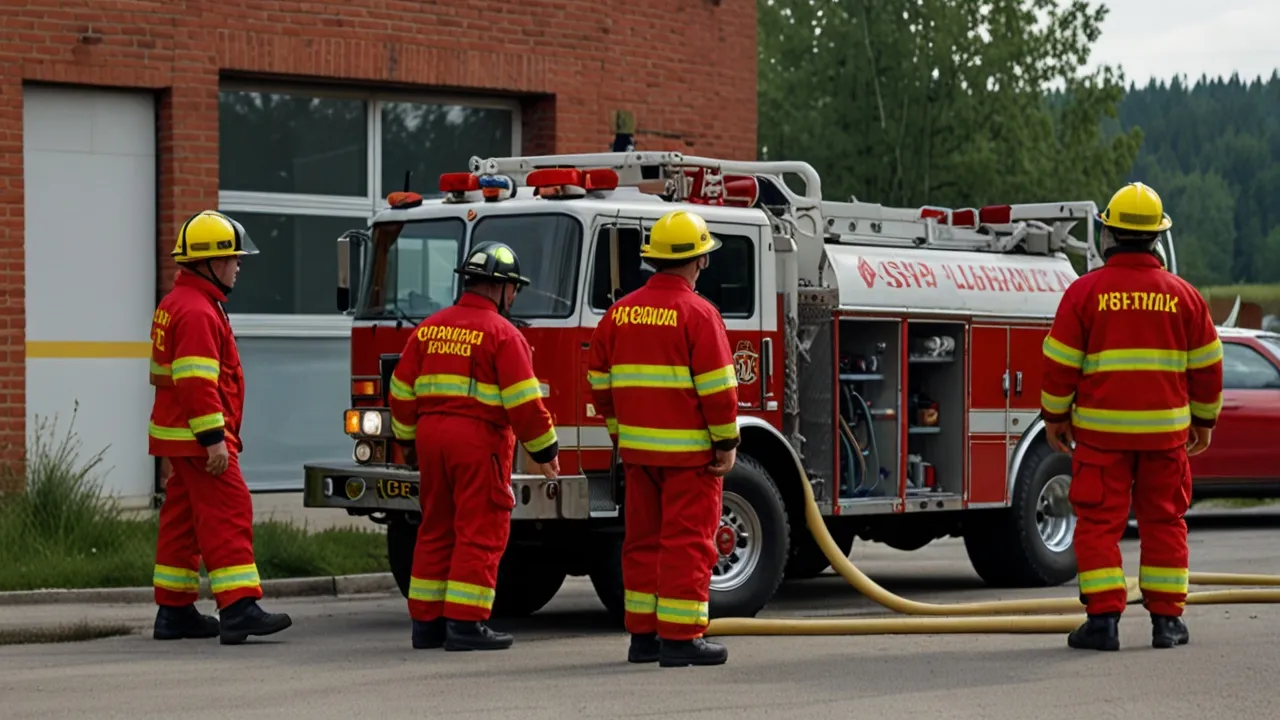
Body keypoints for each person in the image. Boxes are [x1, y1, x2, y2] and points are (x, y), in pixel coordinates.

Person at [1040, 182, 1224, 652]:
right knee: (1165, 521)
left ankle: (1103, 624)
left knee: (1099, 523)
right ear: (1157, 238)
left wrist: (1055, 417)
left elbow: (1060, 363)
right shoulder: (1185, 297)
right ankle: (1167, 624)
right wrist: (1203, 421)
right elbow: (1207, 367)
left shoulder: (1085, 293)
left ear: (1109, 235)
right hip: (1166, 438)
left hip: (1102, 438)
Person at [388, 241, 560, 652]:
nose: (514, 296)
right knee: (480, 530)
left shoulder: (428, 328)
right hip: (478, 441)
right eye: (513, 288)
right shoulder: (504, 334)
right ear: (501, 288)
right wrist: (546, 452)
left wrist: (408, 442)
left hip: (430, 438)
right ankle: (466, 624)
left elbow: (399, 390)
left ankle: (426, 626)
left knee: (435, 528)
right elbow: (524, 402)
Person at [587, 209, 740, 668]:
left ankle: (643, 637)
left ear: (653, 260)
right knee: (688, 544)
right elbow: (718, 389)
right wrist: (726, 444)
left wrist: (621, 435)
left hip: (638, 457)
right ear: (700, 261)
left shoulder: (619, 313)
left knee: (642, 543)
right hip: (691, 460)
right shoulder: (699, 313)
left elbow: (598, 380)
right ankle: (681, 639)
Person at [149, 209, 293, 645]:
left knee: (183, 519)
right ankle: (238, 608)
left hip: (179, 434)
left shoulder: (182, 303)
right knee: (230, 509)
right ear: (209, 262)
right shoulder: (196, 311)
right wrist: (214, 440)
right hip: (199, 436)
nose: (239, 264)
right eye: (232, 257)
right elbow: (196, 382)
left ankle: (174, 612)